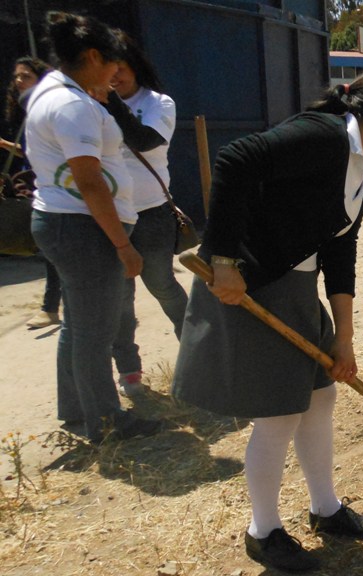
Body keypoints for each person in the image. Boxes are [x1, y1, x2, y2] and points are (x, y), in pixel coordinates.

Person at [172, 63, 363, 573]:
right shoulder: (325, 137)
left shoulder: (361, 167)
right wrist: (223, 259)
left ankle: (325, 509)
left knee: (321, 398)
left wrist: (344, 337)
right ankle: (263, 532)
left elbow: (340, 251)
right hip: (254, 286)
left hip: (297, 290)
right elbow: (236, 159)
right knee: (279, 414)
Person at [26, 11, 163, 443]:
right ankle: (106, 421)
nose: (115, 74)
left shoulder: (54, 91)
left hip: (66, 223)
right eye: (111, 63)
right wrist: (123, 245)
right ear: (90, 56)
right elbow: (89, 182)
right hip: (83, 229)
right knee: (94, 332)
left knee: (78, 324)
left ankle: (77, 409)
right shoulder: (73, 106)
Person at [91, 31, 188, 396]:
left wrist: (112, 103)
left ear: (135, 65)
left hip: (151, 213)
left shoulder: (159, 103)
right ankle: (129, 372)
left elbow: (146, 141)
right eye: (107, 67)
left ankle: (198, 353)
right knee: (120, 299)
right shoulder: (88, 104)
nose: (114, 75)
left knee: (162, 285)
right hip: (110, 215)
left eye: (120, 66)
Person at [3, 57, 63, 330]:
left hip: (57, 189)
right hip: (41, 188)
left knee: (53, 251)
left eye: (25, 76)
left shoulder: (48, 109)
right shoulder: (28, 112)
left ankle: (51, 308)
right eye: (17, 76)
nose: (19, 81)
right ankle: (52, 307)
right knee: (51, 250)